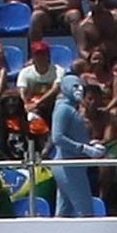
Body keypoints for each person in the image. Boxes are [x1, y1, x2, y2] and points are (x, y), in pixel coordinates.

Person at [49, 73, 106, 216]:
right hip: (68, 165)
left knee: (64, 210)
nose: (79, 89)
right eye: (75, 86)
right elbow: (57, 137)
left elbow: (72, 134)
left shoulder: (70, 108)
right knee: (85, 210)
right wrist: (84, 149)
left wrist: (90, 144)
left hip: (72, 164)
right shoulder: (63, 109)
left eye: (80, 86)